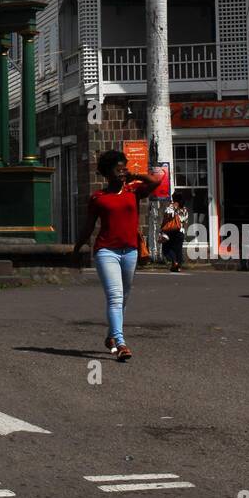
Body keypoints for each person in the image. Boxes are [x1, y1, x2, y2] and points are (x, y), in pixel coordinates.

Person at [72, 151, 165, 362]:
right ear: (107, 173)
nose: (122, 172)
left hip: (130, 250)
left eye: (124, 168)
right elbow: (88, 227)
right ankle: (121, 343)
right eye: (118, 169)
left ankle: (111, 336)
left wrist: (136, 175)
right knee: (115, 296)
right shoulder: (98, 198)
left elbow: (157, 181)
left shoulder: (133, 191)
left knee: (123, 297)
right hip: (106, 251)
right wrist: (77, 249)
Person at [160, 192, 189, 273]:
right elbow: (186, 220)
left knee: (166, 248)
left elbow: (167, 215)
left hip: (171, 231)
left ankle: (174, 262)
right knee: (178, 250)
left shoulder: (172, 207)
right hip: (181, 232)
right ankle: (177, 266)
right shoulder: (185, 209)